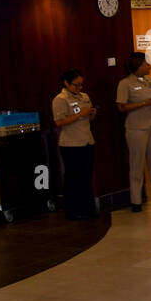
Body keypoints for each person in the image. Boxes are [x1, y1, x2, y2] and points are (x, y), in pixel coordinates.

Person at [115, 52, 151, 213]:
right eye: (146, 64)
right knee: (137, 164)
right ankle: (136, 200)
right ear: (138, 65)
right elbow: (121, 106)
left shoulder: (150, 80)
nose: (149, 66)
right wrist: (143, 103)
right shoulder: (125, 83)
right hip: (136, 128)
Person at [52, 70, 97, 220]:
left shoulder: (84, 97)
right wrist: (80, 115)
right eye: (76, 85)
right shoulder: (60, 99)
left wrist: (91, 114)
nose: (79, 88)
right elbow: (59, 122)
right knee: (73, 178)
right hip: (71, 144)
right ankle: (72, 210)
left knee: (87, 177)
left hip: (87, 141)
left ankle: (88, 208)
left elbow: (88, 119)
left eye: (81, 85)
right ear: (66, 83)